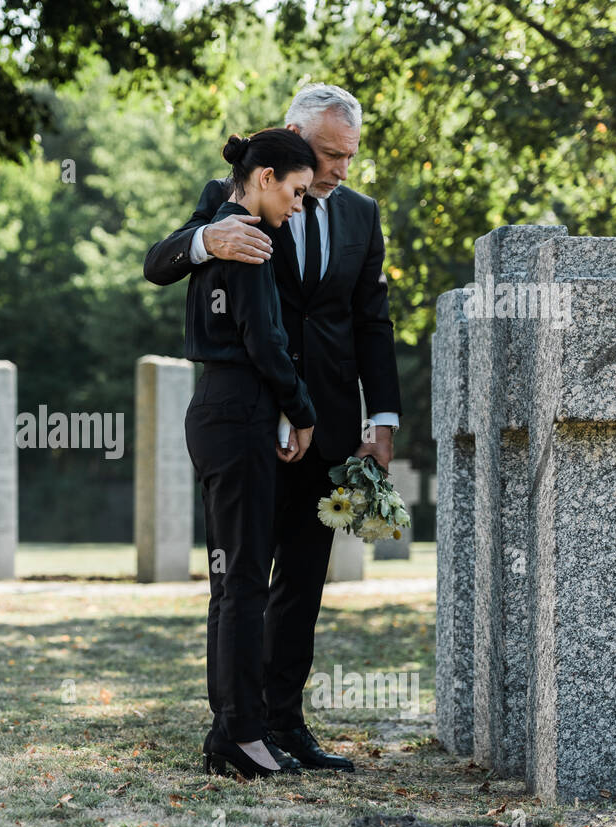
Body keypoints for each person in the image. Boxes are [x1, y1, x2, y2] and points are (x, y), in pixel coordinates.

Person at [148, 85, 402, 772]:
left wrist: (381, 419)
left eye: (350, 156)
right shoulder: (233, 194)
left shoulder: (361, 215)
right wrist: (204, 240)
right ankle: (240, 723)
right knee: (241, 573)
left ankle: (285, 723)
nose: (341, 169)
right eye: (328, 153)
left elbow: (371, 322)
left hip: (329, 425)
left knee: (303, 580)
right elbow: (161, 261)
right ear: (291, 138)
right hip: (255, 413)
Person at [183, 127, 318, 779]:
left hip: (214, 408)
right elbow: (265, 340)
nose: (300, 204)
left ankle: (228, 731)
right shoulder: (246, 239)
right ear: (264, 177)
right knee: (243, 583)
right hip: (240, 413)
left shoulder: (219, 222)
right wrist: (304, 410)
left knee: (228, 581)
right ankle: (242, 733)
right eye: (295, 192)